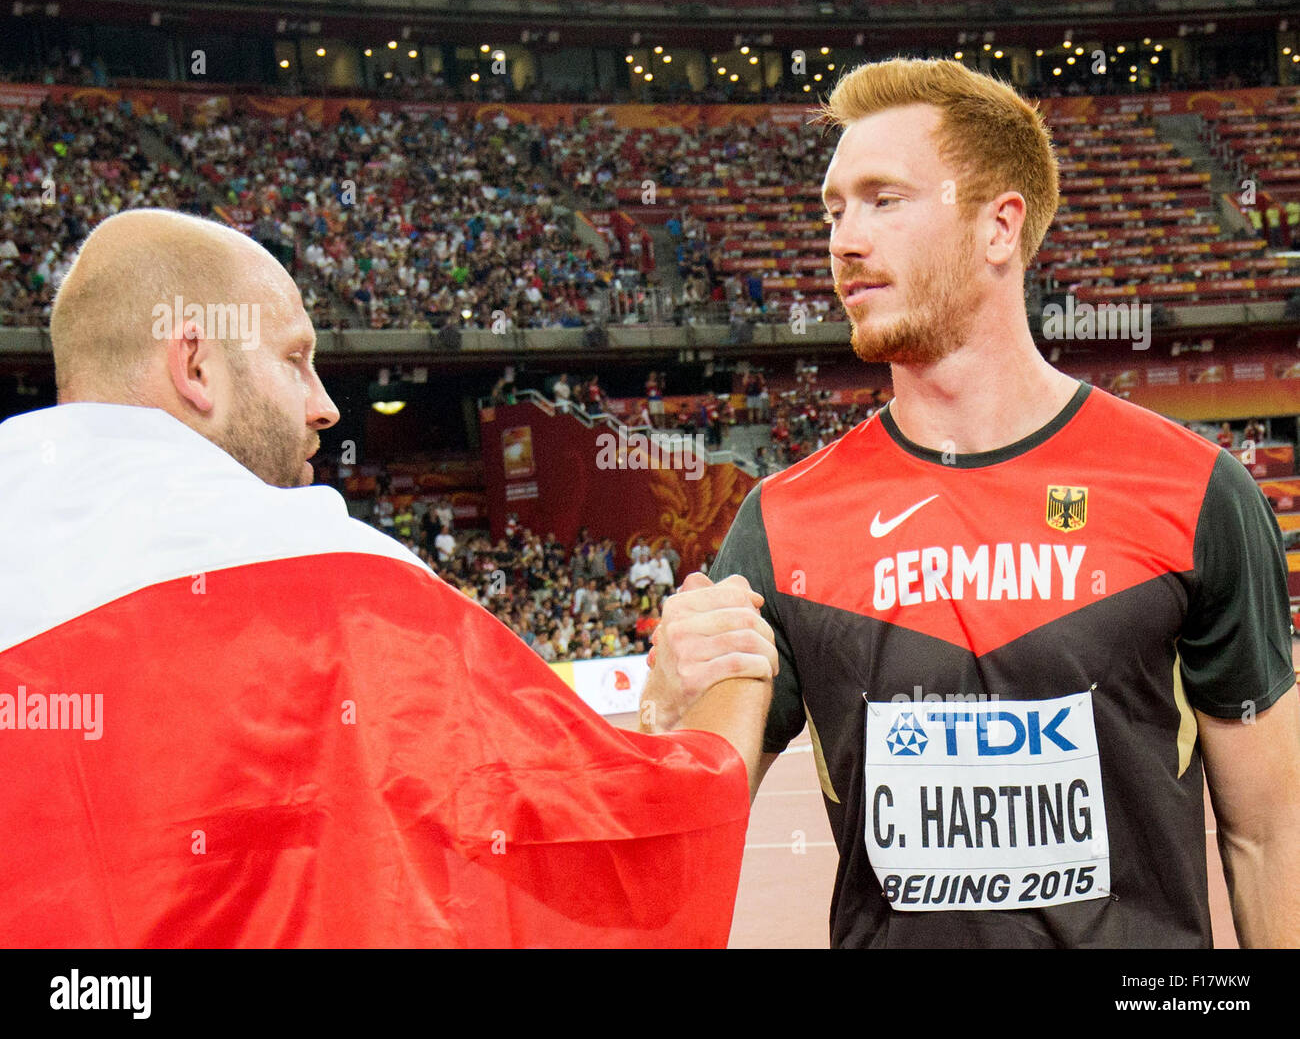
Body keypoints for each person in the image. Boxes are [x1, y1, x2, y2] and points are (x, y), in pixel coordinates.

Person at [0, 209, 779, 949]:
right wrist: (720, 684)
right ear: (196, 363)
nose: (326, 406)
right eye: (296, 360)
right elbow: (618, 857)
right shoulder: (331, 579)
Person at [705, 58, 1300, 948]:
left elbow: (1267, 834)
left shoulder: (1195, 491)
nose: (843, 240)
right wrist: (672, 712)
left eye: (883, 199)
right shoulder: (781, 521)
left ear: (998, 225)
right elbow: (695, 817)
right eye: (834, 208)